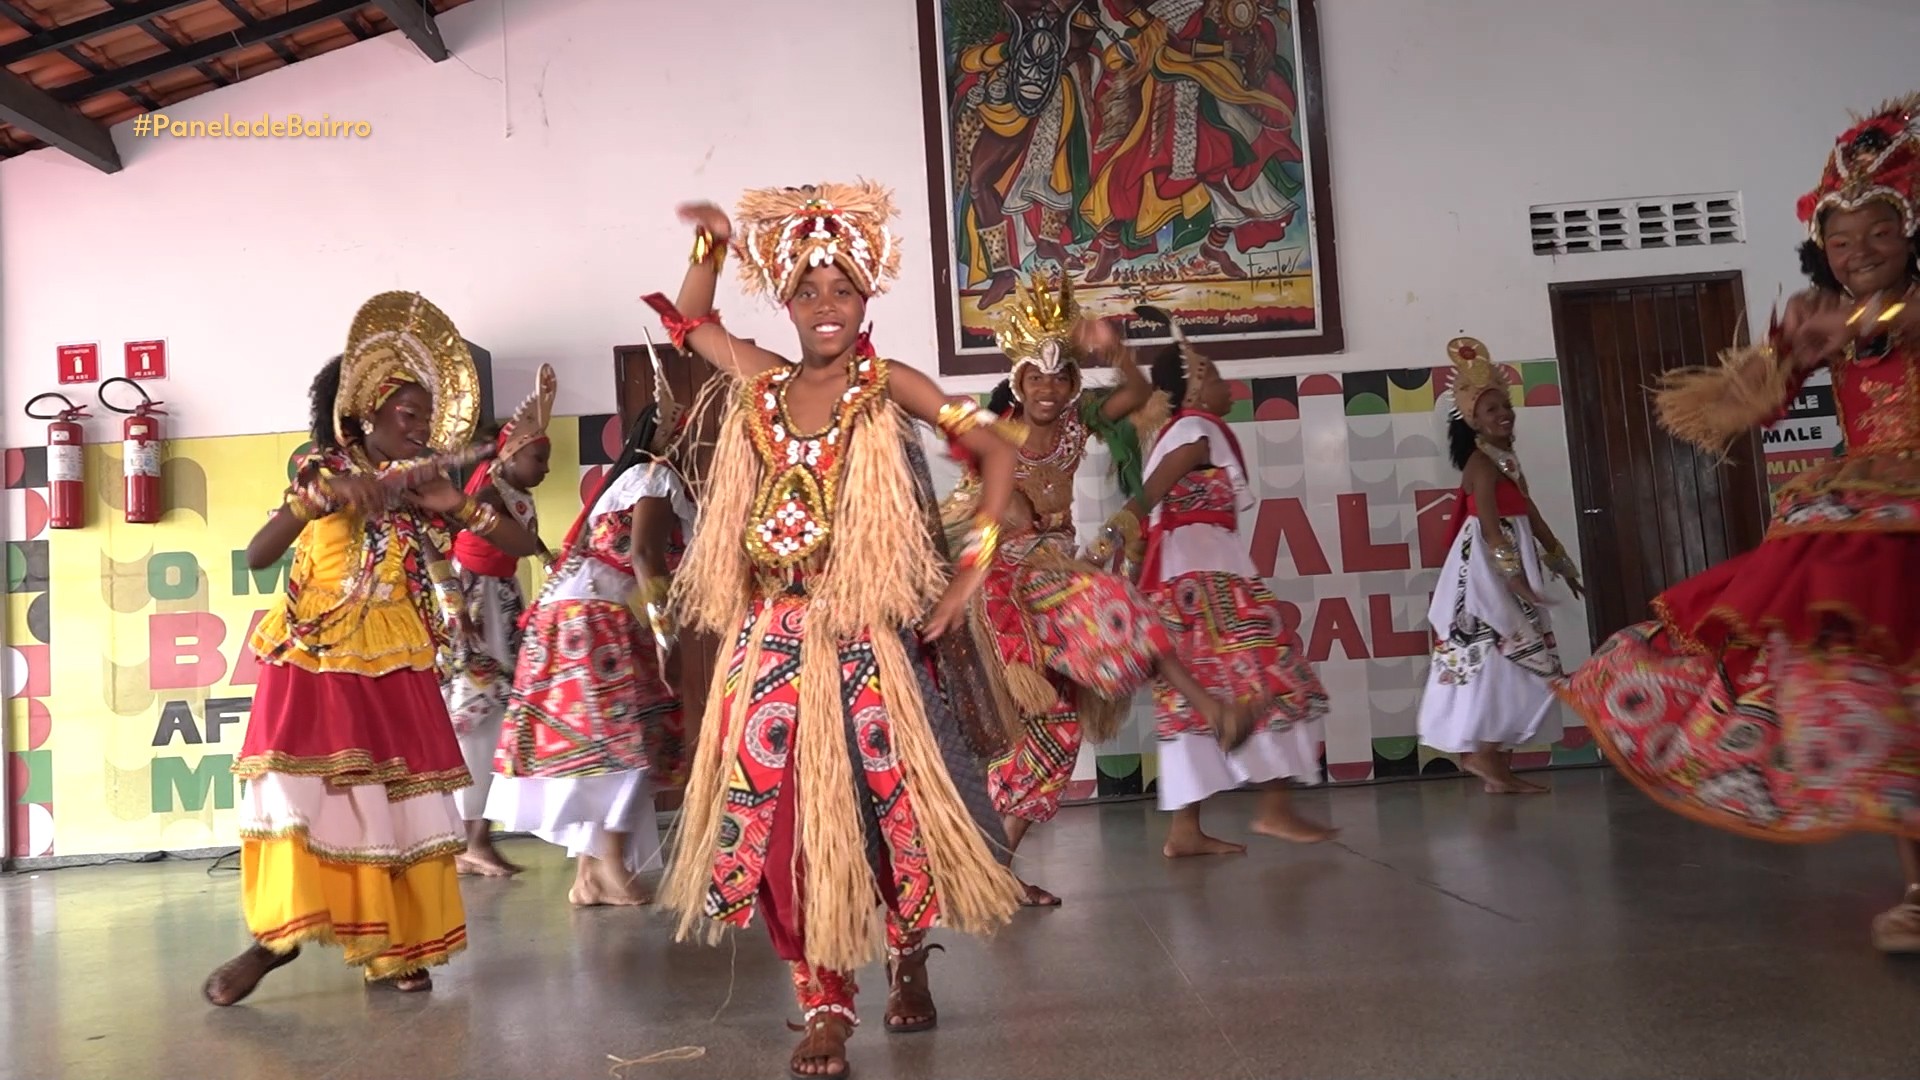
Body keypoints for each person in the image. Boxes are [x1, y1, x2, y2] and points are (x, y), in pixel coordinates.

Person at [646, 181, 1026, 1080]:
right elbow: (690, 325)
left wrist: (968, 577)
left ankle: (904, 954)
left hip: (863, 644)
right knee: (779, 826)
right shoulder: (762, 383)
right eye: (809, 292)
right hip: (769, 644)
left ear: (867, 301)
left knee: (886, 813)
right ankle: (822, 1004)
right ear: (785, 302)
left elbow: (997, 447)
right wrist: (711, 246)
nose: (826, 307)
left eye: (844, 290)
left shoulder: (885, 383)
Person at [1559, 94, 1920, 952]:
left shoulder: (1884, 315)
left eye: (1878, 234)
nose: (1858, 253)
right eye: (1840, 241)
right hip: (1871, 525)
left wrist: (1854, 323)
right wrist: (1781, 353)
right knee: (1899, 698)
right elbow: (1742, 408)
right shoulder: (1822, 322)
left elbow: (1893, 323)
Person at [202, 292, 542, 1006]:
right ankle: (275, 943)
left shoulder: (429, 489)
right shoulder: (319, 466)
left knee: (393, 803)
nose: (420, 427)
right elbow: (260, 554)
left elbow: (520, 543)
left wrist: (458, 507)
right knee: (303, 797)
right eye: (406, 415)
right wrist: (316, 502)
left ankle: (392, 951)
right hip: (316, 660)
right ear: (366, 414)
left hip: (399, 662)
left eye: (426, 417)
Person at [949, 270, 1252, 906]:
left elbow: (1136, 393)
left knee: (1057, 738)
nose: (1049, 389)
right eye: (1037, 377)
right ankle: (1212, 709)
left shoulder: (1078, 420)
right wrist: (1008, 514)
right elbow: (981, 509)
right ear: (1017, 380)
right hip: (1013, 592)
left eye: (1061, 377)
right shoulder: (994, 437)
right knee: (1122, 610)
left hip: (1056, 578)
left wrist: (1116, 352)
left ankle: (995, 872)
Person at [1096, 310, 1333, 854]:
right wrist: (1123, 521)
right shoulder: (1195, 429)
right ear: (1196, 383)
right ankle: (1275, 808)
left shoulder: (1179, 431)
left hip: (1183, 576)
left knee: (1194, 701)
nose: (1228, 385)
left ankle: (1185, 831)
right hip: (1209, 579)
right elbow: (1175, 469)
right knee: (1268, 680)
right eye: (1217, 373)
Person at [484, 349, 692, 908]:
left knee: (596, 749)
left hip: (569, 616)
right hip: (598, 622)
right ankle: (611, 868)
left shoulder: (621, 483)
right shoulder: (656, 476)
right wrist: (667, 635)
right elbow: (647, 557)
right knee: (628, 746)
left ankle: (590, 875)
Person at [1416, 337, 1583, 794]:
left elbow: (1529, 514)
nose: (1502, 415)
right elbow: (1491, 527)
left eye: (1504, 406)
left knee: (1517, 658)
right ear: (1473, 420)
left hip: (1510, 564)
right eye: (1490, 411)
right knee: (1502, 652)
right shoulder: (1481, 463)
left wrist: (1561, 563)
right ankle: (1485, 756)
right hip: (1487, 573)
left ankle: (1498, 768)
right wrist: (1512, 576)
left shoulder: (1506, 458)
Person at [442, 364, 557, 877]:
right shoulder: (484, 493)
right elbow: (448, 543)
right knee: (479, 716)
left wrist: (549, 555)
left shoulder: (513, 494)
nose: (546, 468)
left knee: (495, 717)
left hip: (499, 598)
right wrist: (458, 612)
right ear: (510, 455)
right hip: (475, 604)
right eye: (540, 457)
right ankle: (470, 840)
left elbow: (521, 540)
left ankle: (475, 838)